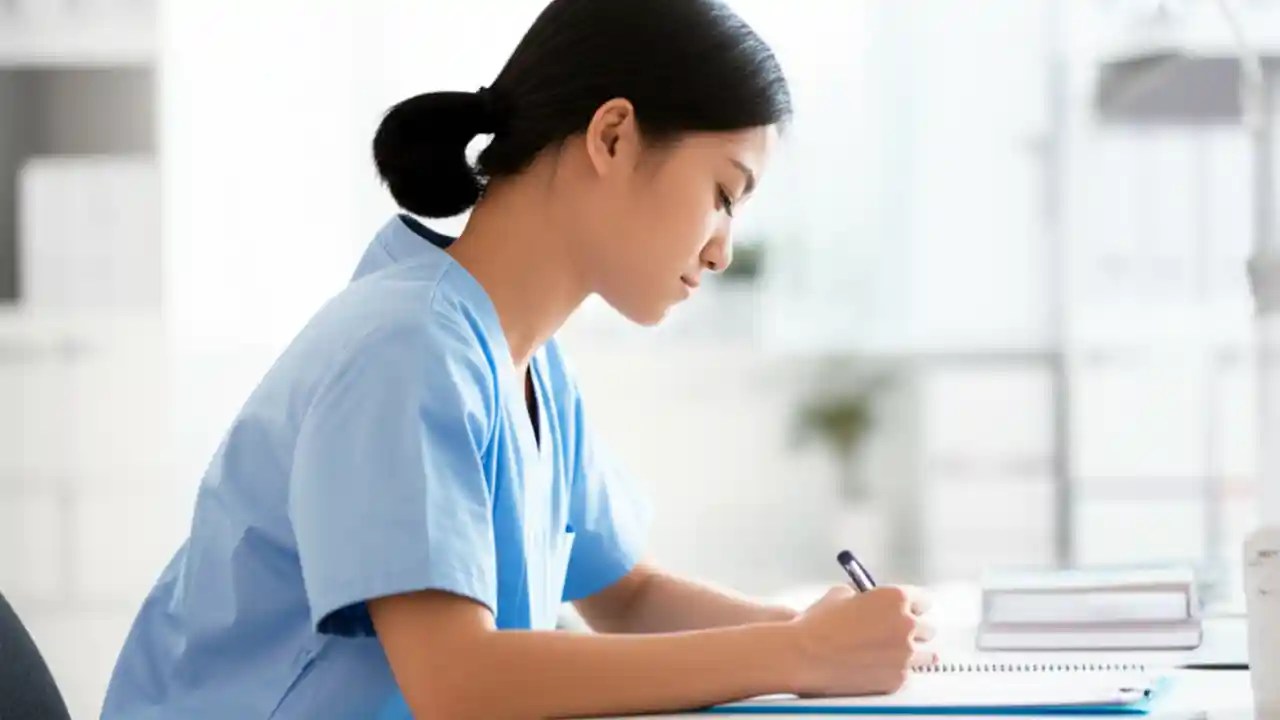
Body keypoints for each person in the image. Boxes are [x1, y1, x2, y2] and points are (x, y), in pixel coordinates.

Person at [102, 0, 936, 717]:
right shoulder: (408, 348)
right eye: (722, 194)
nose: (722, 252)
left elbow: (627, 598)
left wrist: (813, 636)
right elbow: (458, 683)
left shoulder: (525, 362)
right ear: (612, 135)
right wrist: (800, 658)